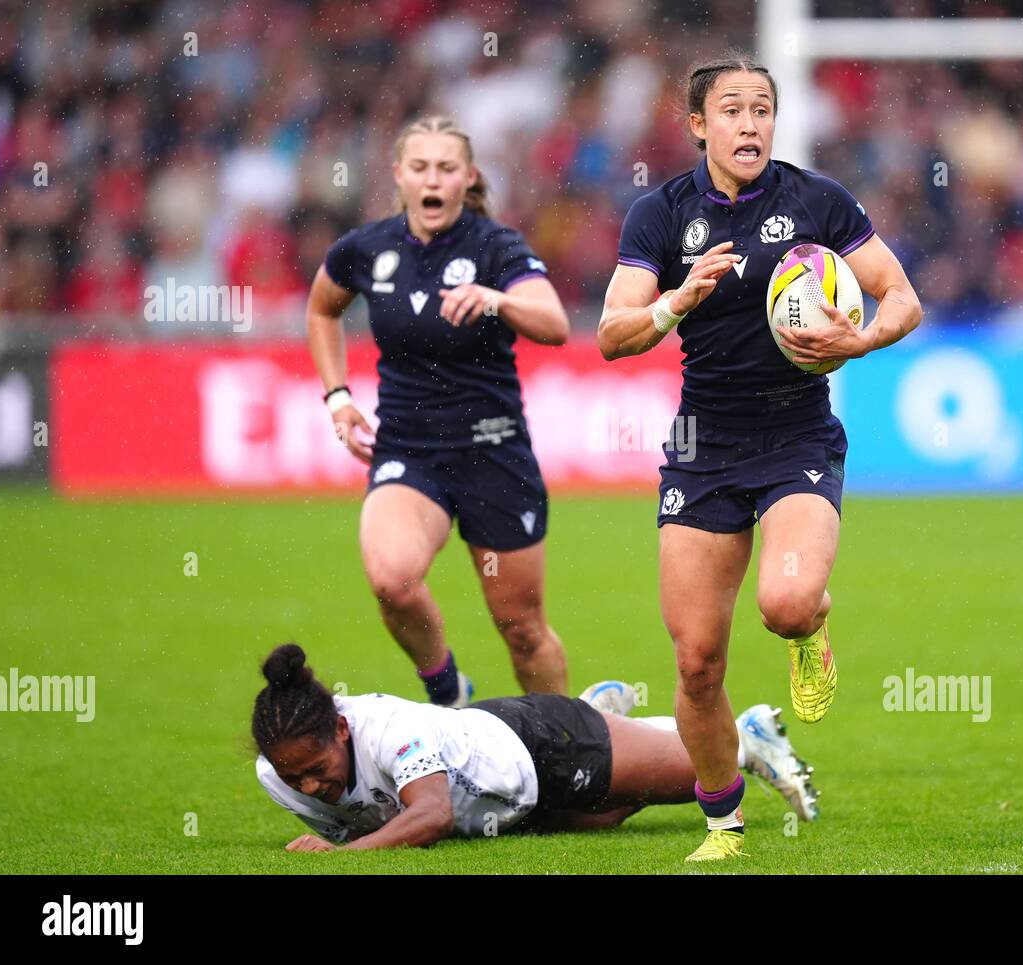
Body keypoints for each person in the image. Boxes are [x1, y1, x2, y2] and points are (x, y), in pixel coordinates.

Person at [597, 52, 922, 861]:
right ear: (699, 125)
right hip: (702, 445)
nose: (751, 124)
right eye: (733, 110)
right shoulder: (660, 215)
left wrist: (861, 338)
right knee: (697, 659)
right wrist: (677, 299)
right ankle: (724, 822)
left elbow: (903, 297)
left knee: (784, 602)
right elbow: (610, 334)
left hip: (796, 436)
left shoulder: (816, 200)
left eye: (763, 109)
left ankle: (810, 629)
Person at [306, 116, 571, 706]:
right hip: (409, 450)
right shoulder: (367, 248)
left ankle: (565, 751)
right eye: (420, 167)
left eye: (447, 168)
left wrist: (498, 299)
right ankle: (449, 692)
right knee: (392, 581)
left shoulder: (496, 247)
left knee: (523, 631)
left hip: (494, 454)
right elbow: (322, 309)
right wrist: (338, 396)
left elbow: (554, 324)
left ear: (467, 177)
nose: (433, 180)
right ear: (399, 175)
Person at [252, 644, 817, 857]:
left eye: (315, 770)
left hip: (539, 745)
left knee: (693, 776)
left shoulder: (389, 728)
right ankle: (606, 717)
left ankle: (746, 740)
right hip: (506, 800)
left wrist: (343, 862)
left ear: (343, 732)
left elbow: (431, 814)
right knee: (606, 820)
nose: (306, 785)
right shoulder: (278, 773)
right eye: (291, 775)